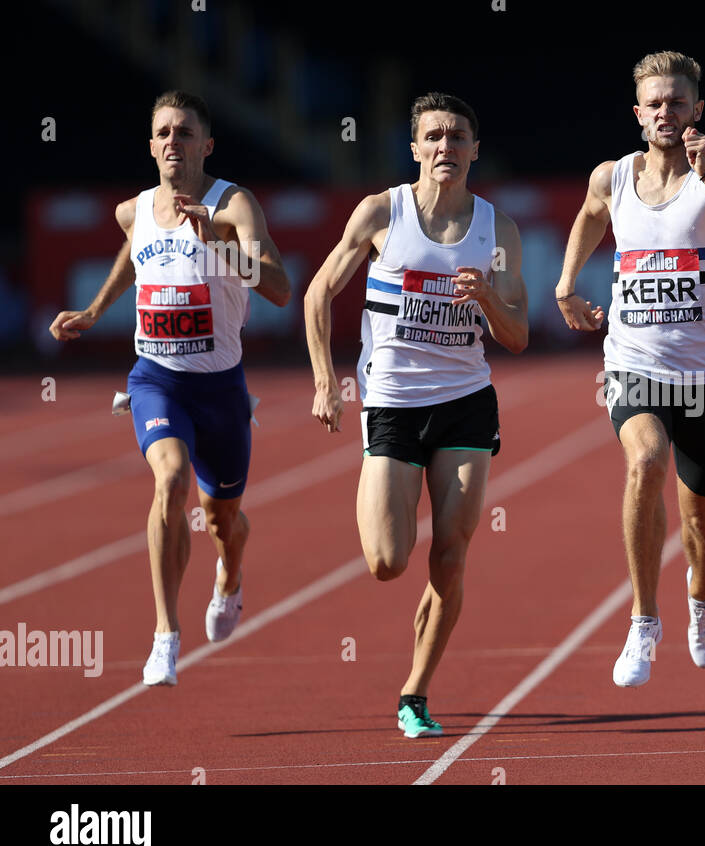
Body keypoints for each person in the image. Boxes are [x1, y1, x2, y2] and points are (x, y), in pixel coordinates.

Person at [303, 92, 528, 738]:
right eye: (433, 137)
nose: (445, 149)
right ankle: (384, 491)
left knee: (450, 558)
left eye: (457, 137)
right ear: (414, 149)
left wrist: (486, 294)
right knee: (386, 560)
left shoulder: (497, 232)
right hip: (394, 404)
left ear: (474, 150)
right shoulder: (382, 213)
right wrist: (325, 381)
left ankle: (415, 692)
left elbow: (516, 334)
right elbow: (319, 292)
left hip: (464, 404)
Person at [48, 90, 291, 686]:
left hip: (221, 391)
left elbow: (282, 288)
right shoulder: (134, 211)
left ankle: (230, 574)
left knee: (222, 518)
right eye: (163, 132)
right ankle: (164, 634)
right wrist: (95, 310)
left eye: (185, 132)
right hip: (157, 380)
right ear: (151, 144)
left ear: (207, 145)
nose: (173, 142)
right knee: (171, 479)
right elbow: (133, 256)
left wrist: (222, 246)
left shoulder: (233, 204)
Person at [554, 50, 705, 687]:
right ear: (638, 114)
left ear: (698, 109)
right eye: (655, 104)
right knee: (644, 460)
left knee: (701, 515)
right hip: (633, 363)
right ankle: (644, 620)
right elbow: (590, 216)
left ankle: (701, 597)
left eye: (678, 102)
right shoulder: (613, 177)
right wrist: (567, 285)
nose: (666, 113)